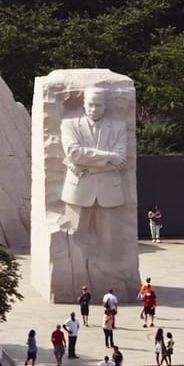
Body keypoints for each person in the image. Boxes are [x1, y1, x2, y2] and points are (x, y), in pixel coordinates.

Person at [60, 88, 128, 251]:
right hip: (78, 189)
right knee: (73, 238)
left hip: (109, 190)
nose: (94, 109)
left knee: (110, 241)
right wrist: (108, 156)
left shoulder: (118, 127)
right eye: (90, 105)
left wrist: (85, 165)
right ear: (84, 105)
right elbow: (73, 153)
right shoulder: (70, 124)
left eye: (98, 105)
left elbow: (120, 158)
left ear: (105, 106)